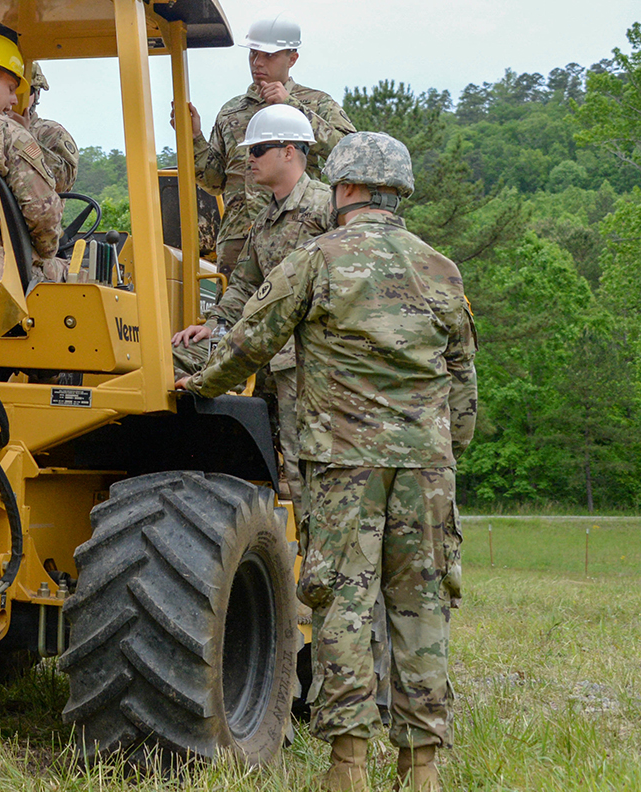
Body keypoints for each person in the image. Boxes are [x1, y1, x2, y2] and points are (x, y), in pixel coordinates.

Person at [179, 132, 475, 792]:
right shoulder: (441, 270)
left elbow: (250, 342)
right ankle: (422, 770)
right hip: (427, 470)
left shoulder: (315, 261)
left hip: (343, 470)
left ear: (342, 190)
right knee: (423, 609)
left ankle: (347, 769)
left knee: (341, 606)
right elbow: (464, 385)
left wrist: (200, 386)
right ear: (398, 192)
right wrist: (443, 451)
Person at [168, 104, 331, 499]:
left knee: (308, 465)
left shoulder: (327, 208)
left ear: (289, 151)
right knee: (270, 460)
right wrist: (214, 324)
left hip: (312, 359)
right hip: (267, 356)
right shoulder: (264, 220)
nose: (248, 160)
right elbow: (244, 282)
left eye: (257, 151)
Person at [180, 14, 354, 275]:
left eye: (269, 55)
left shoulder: (318, 104)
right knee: (234, 314)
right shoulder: (231, 113)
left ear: (292, 59)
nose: (258, 63)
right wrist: (194, 138)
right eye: (253, 54)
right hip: (239, 243)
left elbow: (350, 153)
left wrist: (291, 106)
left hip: (300, 235)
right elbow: (214, 182)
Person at [0, 33, 65, 280]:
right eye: (10, 89)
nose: (11, 102)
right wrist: (46, 249)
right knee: (74, 273)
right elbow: (43, 213)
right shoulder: (8, 133)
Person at [19, 62, 77, 195]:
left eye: (25, 92)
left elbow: (61, 183)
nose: (16, 98)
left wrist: (22, 136)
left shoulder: (51, 132)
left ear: (36, 93)